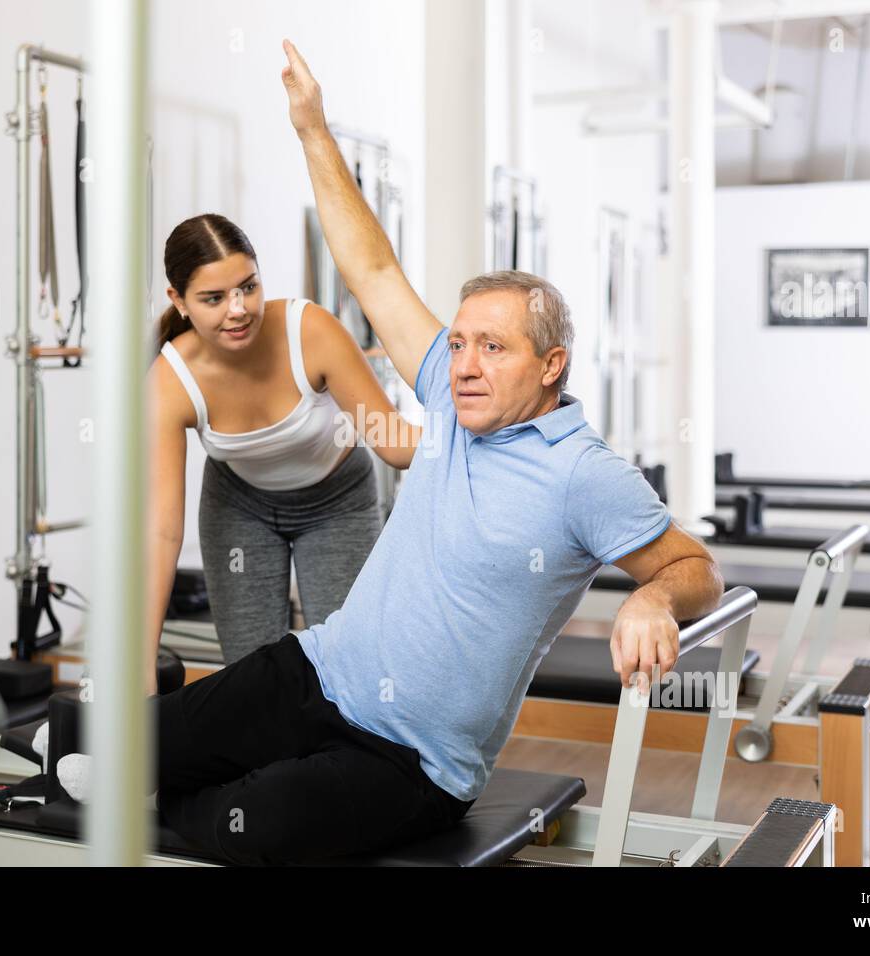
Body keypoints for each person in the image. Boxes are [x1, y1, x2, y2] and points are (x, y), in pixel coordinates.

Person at [135, 42, 725, 866]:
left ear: (550, 365)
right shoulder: (451, 397)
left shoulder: (584, 474)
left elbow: (697, 567)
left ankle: (196, 800)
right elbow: (370, 267)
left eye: (495, 347)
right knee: (114, 746)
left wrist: (653, 602)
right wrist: (312, 129)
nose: (466, 364)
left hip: (412, 761)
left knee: (249, 825)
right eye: (459, 343)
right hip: (314, 674)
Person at [144, 213, 418, 681]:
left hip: (338, 503)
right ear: (179, 301)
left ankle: (344, 756)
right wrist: (141, 656)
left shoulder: (310, 331)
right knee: (252, 677)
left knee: (350, 666)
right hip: (238, 509)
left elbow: (394, 444)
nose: (238, 309)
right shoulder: (169, 380)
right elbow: (161, 531)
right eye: (213, 298)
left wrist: (486, 427)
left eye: (248, 286)